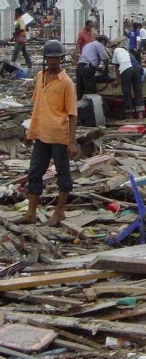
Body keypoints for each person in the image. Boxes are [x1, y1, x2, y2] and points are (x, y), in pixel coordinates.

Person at [19, 40, 78, 226]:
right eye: (50, 58)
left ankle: (59, 211)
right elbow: (38, 107)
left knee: (63, 174)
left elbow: (72, 114)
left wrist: (71, 141)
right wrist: (31, 132)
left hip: (59, 135)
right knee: (35, 172)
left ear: (61, 58)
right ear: (45, 59)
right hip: (41, 135)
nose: (53, 61)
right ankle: (31, 212)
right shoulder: (40, 77)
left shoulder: (66, 83)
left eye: (56, 58)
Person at [112, 46, 145, 119]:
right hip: (137, 69)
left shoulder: (116, 50)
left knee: (127, 93)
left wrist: (118, 80)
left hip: (126, 69)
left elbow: (116, 67)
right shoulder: (129, 54)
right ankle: (140, 115)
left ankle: (130, 115)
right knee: (138, 92)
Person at [76, 35, 110, 99]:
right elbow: (105, 58)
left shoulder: (87, 45)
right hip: (87, 69)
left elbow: (87, 58)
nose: (105, 45)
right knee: (90, 91)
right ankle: (90, 108)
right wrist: (106, 70)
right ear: (103, 41)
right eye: (105, 43)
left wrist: (97, 68)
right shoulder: (99, 45)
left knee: (80, 91)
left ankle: (79, 106)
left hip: (80, 67)